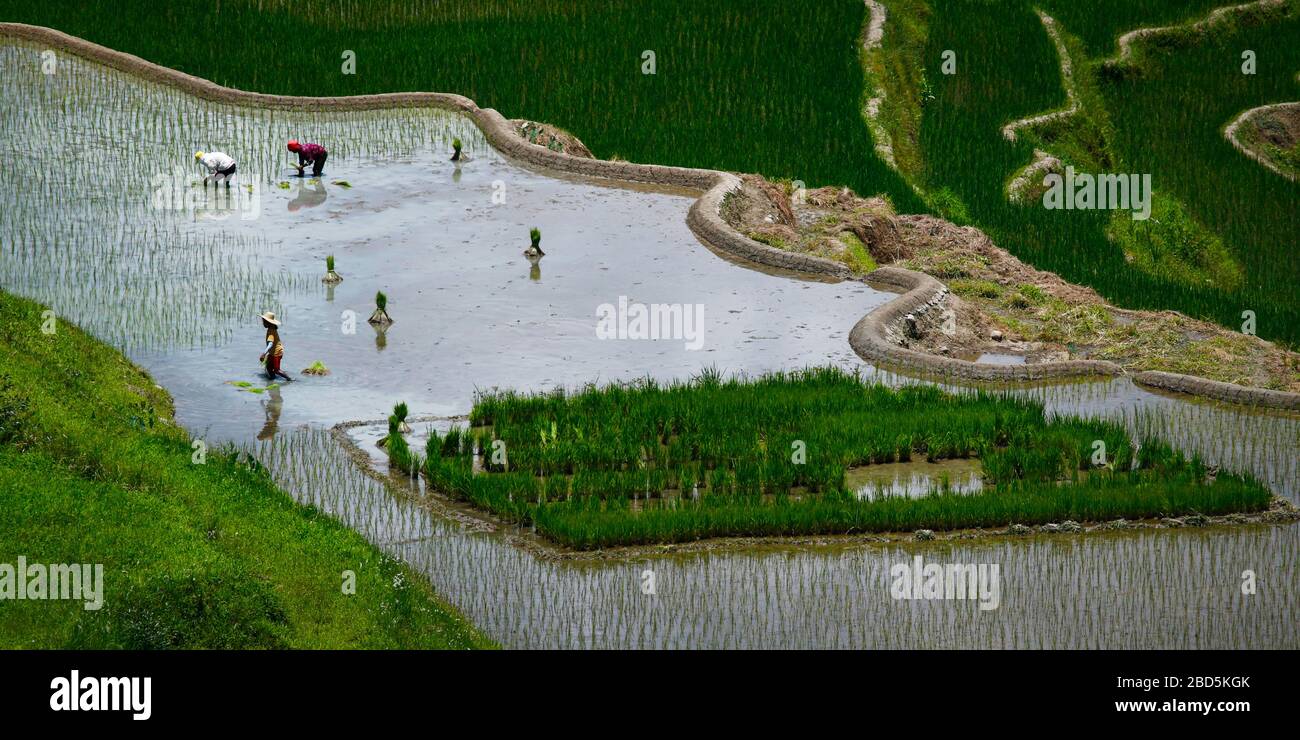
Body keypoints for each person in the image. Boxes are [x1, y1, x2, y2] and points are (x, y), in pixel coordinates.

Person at [258, 311, 293, 382]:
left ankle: (289, 379)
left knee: (277, 370)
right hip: (272, 352)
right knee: (268, 367)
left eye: (264, 322)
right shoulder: (272, 328)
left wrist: (264, 354)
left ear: (268, 323)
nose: (263, 323)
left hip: (276, 353)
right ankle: (272, 380)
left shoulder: (271, 331)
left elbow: (270, 344)